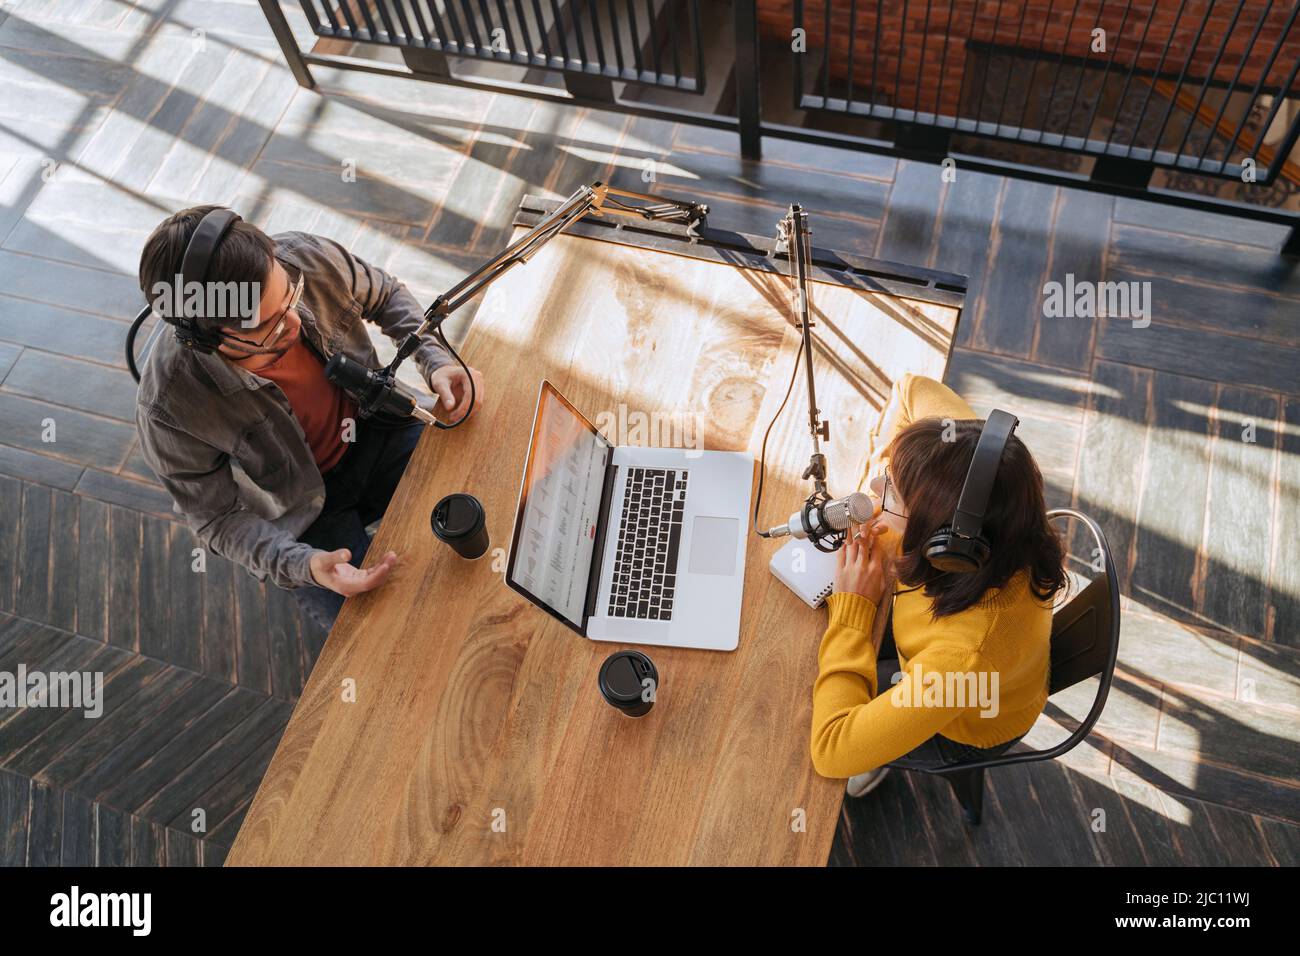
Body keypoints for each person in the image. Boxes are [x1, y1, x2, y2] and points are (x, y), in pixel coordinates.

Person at [135, 205, 485, 631]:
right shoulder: (167, 407)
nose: (295, 323)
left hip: (378, 425)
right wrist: (307, 565)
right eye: (266, 327)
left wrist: (435, 359)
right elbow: (216, 519)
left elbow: (387, 294)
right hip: (304, 504)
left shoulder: (304, 256)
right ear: (202, 338)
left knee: (485, 501)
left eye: (291, 298)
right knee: (366, 635)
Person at [810, 374, 1066, 797]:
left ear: (945, 548)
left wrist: (853, 609)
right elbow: (911, 388)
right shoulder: (975, 471)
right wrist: (893, 485)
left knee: (808, 703)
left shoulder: (964, 658)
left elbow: (831, 750)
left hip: (958, 727)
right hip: (933, 637)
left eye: (891, 492)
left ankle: (880, 761)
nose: (875, 490)